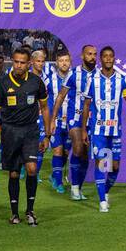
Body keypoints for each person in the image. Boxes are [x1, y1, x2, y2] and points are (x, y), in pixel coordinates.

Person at [0, 47, 49, 225]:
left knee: (31, 169)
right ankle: (14, 213)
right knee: (13, 174)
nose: (19, 65)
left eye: (22, 62)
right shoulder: (3, 83)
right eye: (16, 62)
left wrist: (47, 135)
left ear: (29, 64)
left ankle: (30, 210)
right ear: (12, 62)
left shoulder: (36, 82)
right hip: (10, 132)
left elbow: (44, 108)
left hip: (30, 131)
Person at [79, 46, 126, 214]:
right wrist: (84, 129)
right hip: (98, 130)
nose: (108, 59)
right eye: (105, 56)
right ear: (101, 59)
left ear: (114, 58)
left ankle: (105, 191)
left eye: (111, 56)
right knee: (101, 163)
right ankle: (102, 201)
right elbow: (86, 106)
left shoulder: (122, 79)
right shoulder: (92, 79)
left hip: (115, 130)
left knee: (115, 166)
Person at [52, 43, 98, 201]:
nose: (92, 57)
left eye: (94, 54)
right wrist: (53, 119)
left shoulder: (99, 75)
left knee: (85, 155)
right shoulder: (73, 74)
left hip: (93, 120)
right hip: (75, 118)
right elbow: (60, 96)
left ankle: (78, 186)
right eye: (89, 54)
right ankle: (73, 188)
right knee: (77, 148)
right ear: (82, 56)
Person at [43, 48, 75, 194]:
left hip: (71, 123)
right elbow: (43, 101)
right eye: (61, 61)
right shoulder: (49, 80)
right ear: (56, 62)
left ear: (70, 62)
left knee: (66, 152)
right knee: (57, 150)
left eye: (66, 61)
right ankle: (59, 181)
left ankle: (54, 175)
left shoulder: (76, 78)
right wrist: (49, 120)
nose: (64, 63)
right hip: (55, 121)